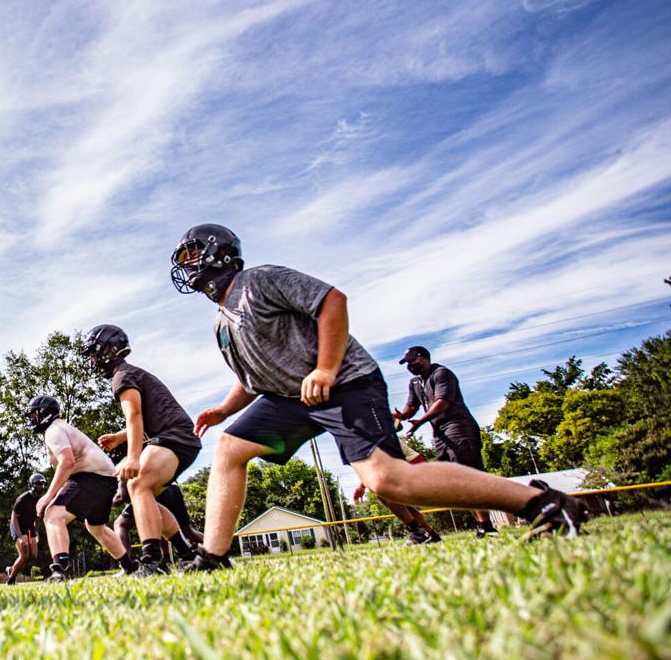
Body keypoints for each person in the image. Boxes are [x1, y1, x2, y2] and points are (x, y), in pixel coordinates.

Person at [169, 223, 588, 572]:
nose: (186, 265)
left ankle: (541, 502)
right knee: (228, 448)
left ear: (217, 252)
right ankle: (214, 555)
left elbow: (331, 301)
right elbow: (255, 377)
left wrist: (326, 368)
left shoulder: (259, 280)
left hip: (347, 382)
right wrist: (225, 409)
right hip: (292, 396)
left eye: (190, 254)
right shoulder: (221, 324)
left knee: (390, 481)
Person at [83, 325, 202, 576]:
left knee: (137, 485)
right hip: (177, 437)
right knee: (144, 498)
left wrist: (134, 457)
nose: (92, 360)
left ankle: (152, 563)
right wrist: (119, 437)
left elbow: (134, 415)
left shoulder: (122, 377)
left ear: (106, 349)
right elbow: (145, 417)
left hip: (174, 438)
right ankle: (189, 554)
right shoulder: (128, 373)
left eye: (94, 353)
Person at [25, 395, 136, 581]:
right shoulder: (61, 427)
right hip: (106, 480)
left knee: (53, 515)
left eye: (34, 415)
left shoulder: (53, 430)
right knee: (96, 527)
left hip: (91, 477)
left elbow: (67, 462)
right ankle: (130, 567)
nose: (31, 420)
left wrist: (48, 496)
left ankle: (60, 571)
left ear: (44, 413)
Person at [395, 346, 499, 538]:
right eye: (407, 363)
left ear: (423, 358)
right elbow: (411, 407)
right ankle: (480, 524)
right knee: (456, 482)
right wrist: (399, 416)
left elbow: (442, 403)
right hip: (440, 434)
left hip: (459, 428)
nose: (409, 366)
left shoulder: (441, 373)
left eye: (412, 361)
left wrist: (420, 422)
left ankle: (487, 526)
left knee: (470, 476)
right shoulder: (415, 382)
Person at [351, 430, 441, 544]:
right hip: (410, 463)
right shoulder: (370, 427)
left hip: (410, 463)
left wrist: (362, 486)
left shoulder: (367, 431)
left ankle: (417, 533)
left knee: (384, 493)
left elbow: (378, 463)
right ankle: (432, 535)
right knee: (400, 504)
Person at [6, 473, 46, 584]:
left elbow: (38, 517)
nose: (40, 486)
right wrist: (20, 536)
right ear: (31, 485)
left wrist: (36, 531)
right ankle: (11, 578)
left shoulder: (41, 499)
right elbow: (14, 518)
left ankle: (12, 568)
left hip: (29, 527)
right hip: (18, 526)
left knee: (33, 555)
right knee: (24, 556)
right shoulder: (22, 499)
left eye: (42, 484)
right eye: (38, 484)